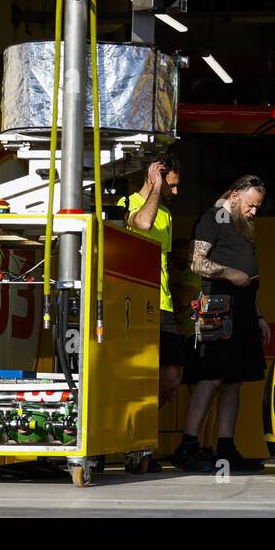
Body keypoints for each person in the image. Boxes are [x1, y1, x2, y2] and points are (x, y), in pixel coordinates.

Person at [173, 175, 269, 473]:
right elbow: (195, 261)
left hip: (242, 309)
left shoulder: (241, 225)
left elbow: (248, 277)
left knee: (233, 379)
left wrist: (258, 314)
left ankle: (225, 448)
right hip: (217, 307)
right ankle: (188, 446)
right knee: (212, 376)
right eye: (251, 205)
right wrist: (229, 273)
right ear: (236, 195)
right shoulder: (214, 216)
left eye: (257, 207)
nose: (254, 212)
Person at [121, 158, 184, 415]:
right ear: (154, 178)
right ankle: (139, 449)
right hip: (137, 303)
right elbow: (144, 223)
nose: (176, 192)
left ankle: (142, 440)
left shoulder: (167, 214)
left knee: (171, 378)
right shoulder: (127, 204)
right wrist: (156, 188)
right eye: (172, 185)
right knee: (141, 378)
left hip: (164, 304)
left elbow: (165, 261)